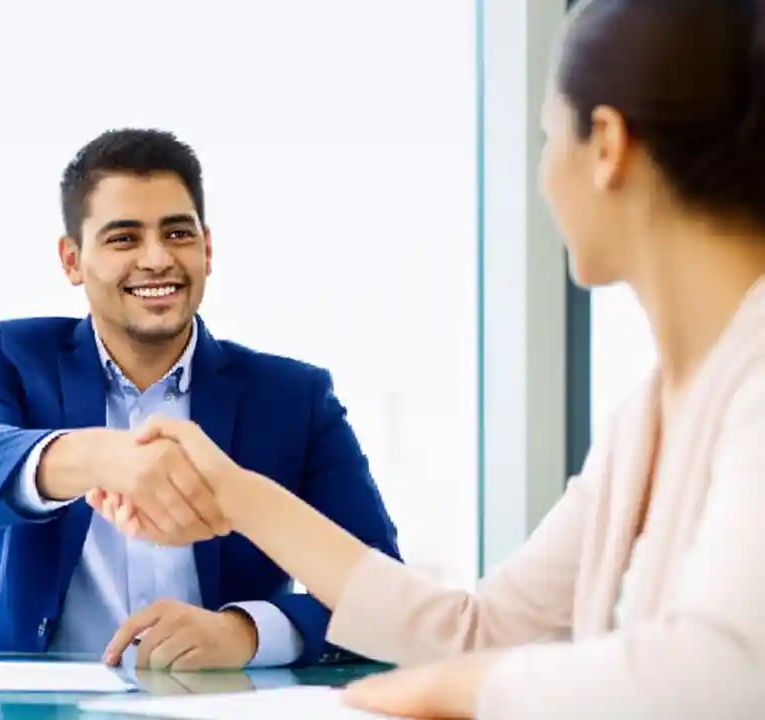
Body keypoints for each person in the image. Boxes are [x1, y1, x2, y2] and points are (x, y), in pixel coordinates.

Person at [96, 0, 765, 716]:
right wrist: (232, 495)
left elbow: (722, 671)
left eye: (547, 138)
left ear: (606, 145)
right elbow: (477, 630)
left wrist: (460, 691)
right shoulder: (647, 421)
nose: (543, 178)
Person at [0, 128, 400, 670]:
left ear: (208, 248)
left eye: (177, 233)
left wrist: (248, 633)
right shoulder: (15, 353)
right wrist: (98, 456)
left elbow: (384, 596)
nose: (156, 259)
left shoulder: (295, 397)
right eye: (123, 238)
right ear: (71, 260)